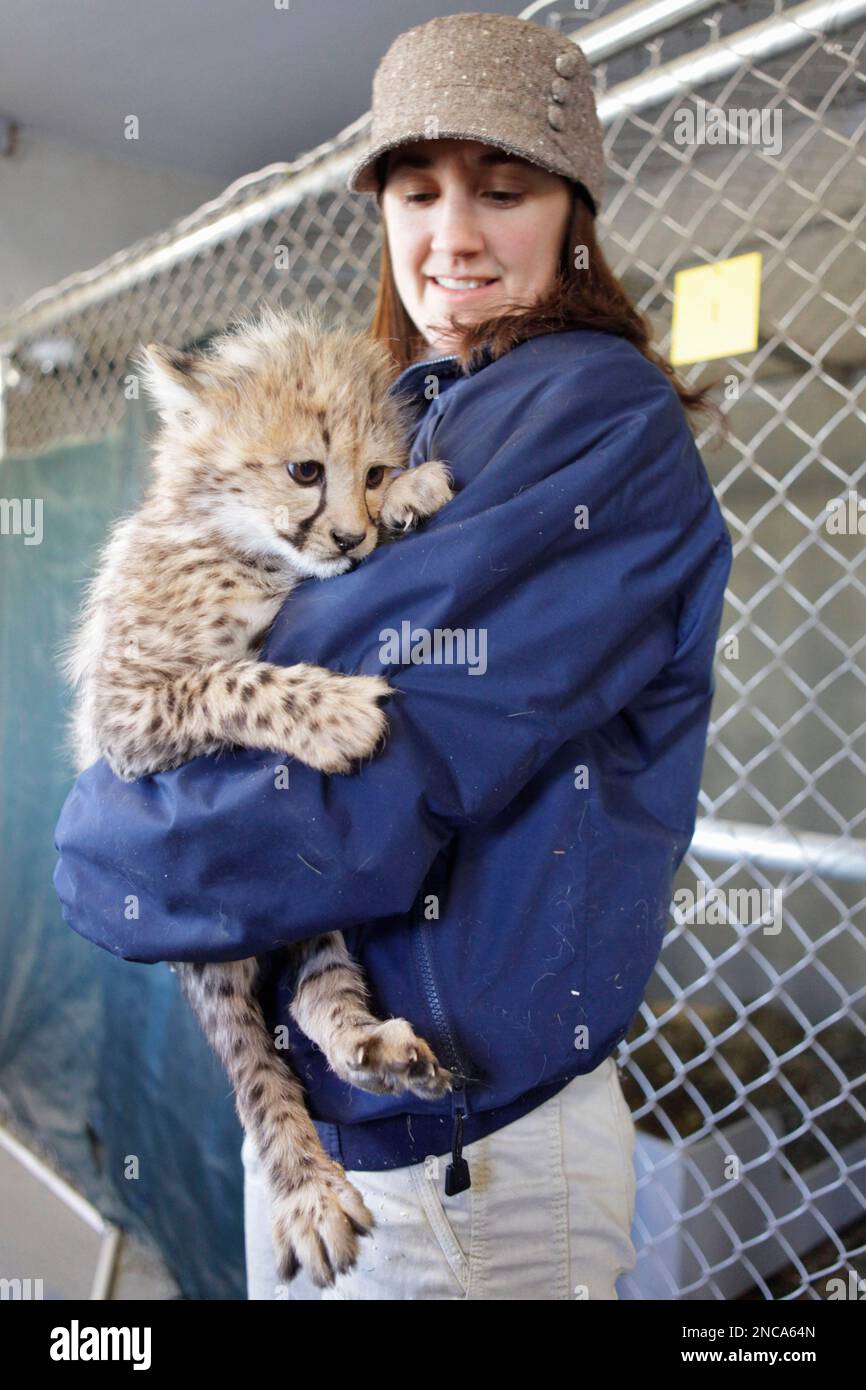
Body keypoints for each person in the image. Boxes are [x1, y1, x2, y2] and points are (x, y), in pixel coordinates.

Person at [53, 12, 733, 1300]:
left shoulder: (596, 417)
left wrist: (113, 849)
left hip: (461, 1164)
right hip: (341, 1146)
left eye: (505, 190)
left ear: (575, 211)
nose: (453, 236)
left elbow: (368, 762)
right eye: (416, 193)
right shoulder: (420, 404)